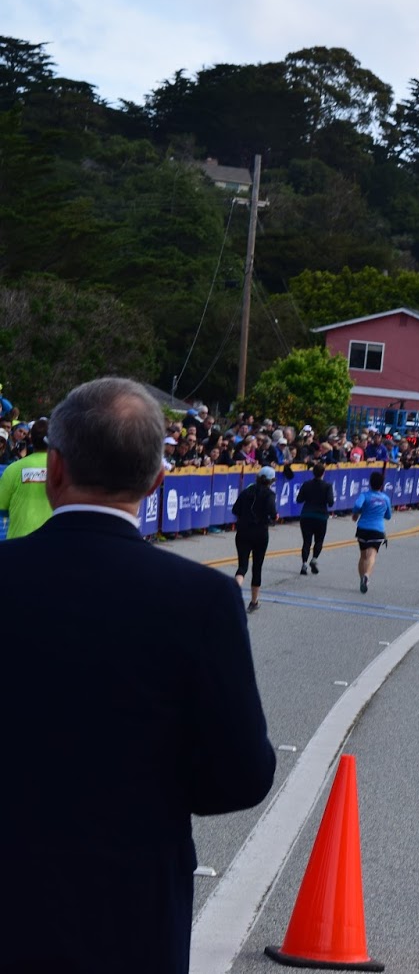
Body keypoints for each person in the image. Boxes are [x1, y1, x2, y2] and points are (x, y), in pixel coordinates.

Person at [1, 377, 274, 971]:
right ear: (156, 482)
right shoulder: (201, 598)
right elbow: (243, 774)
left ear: (53, 468)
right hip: (128, 909)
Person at [232, 465, 278, 613]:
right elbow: (272, 511)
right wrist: (273, 517)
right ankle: (253, 601)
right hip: (260, 532)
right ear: (271, 481)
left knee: (242, 566)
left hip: (243, 531)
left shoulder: (246, 491)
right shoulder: (269, 494)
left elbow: (235, 509)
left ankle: (234, 591)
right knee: (257, 567)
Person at [0, 417, 50, 539]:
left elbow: (2, 507)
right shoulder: (67, 469)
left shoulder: (13, 469)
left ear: (30, 439)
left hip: (18, 543)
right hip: (55, 544)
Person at [353, 471, 393, 594]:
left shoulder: (365, 495)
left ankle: (361, 579)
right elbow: (388, 516)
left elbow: (357, 505)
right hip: (377, 529)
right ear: (382, 485)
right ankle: (367, 575)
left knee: (363, 556)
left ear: (370, 484)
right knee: (372, 555)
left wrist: (356, 514)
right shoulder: (385, 498)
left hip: (363, 528)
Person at [295, 461, 335, 575]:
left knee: (306, 541)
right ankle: (314, 559)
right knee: (319, 540)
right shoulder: (327, 486)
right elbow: (331, 502)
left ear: (313, 472)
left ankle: (304, 564)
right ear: (323, 473)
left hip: (306, 515)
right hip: (321, 516)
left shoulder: (306, 484)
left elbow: (299, 500)